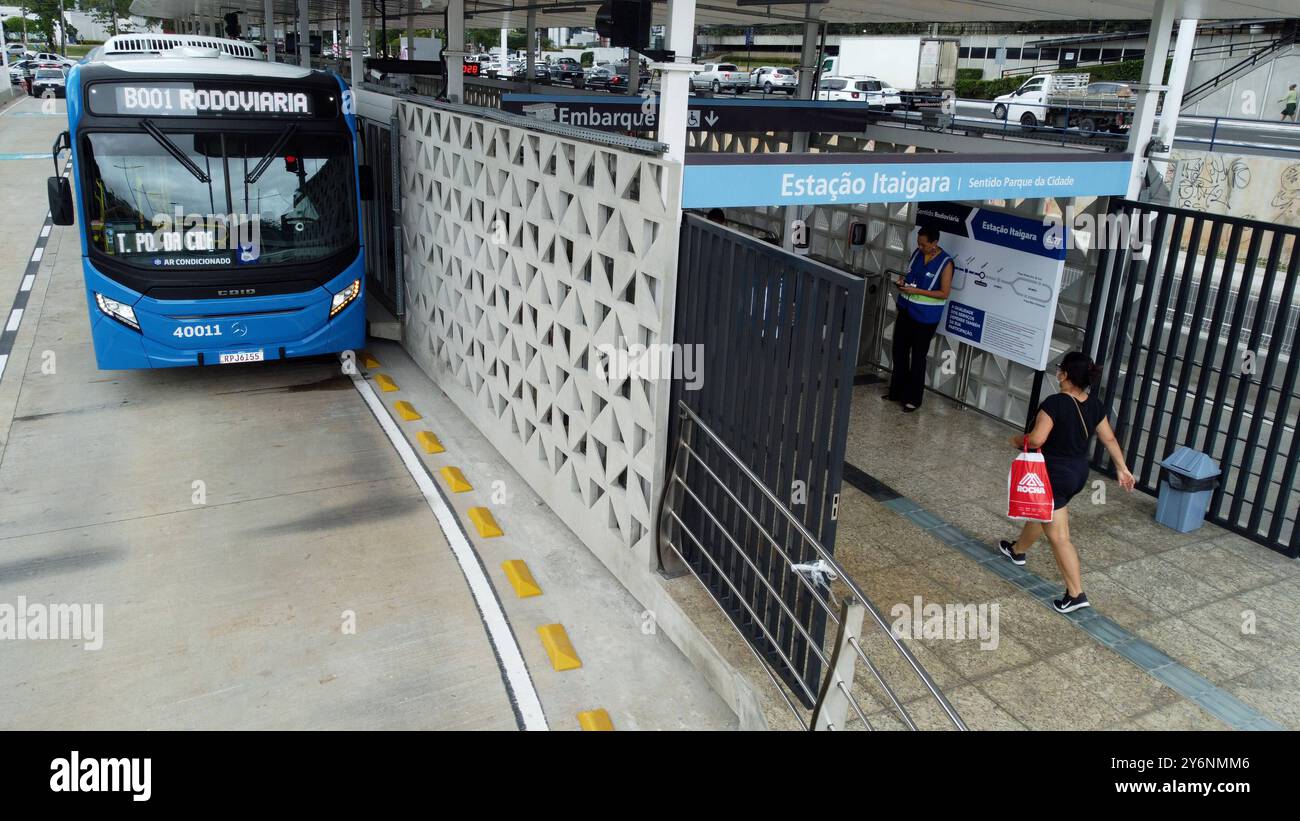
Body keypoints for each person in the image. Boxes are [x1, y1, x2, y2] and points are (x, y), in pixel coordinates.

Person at [999, 352, 1136, 613]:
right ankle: (1017, 550)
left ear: (1065, 375)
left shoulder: (1055, 403)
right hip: (1077, 473)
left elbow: (1037, 439)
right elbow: (1109, 439)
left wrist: (1017, 440)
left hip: (1052, 475)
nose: (1058, 372)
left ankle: (1076, 594)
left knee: (1060, 536)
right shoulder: (1094, 405)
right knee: (1045, 512)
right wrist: (1122, 468)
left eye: (1060, 369)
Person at [885, 225, 954, 412]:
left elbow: (944, 293)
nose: (920, 247)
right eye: (919, 243)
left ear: (934, 243)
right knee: (899, 351)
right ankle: (896, 391)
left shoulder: (945, 263)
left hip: (925, 318)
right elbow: (910, 276)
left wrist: (916, 291)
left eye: (924, 244)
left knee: (918, 357)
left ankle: (913, 398)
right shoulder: (917, 254)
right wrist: (903, 283)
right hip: (906, 310)